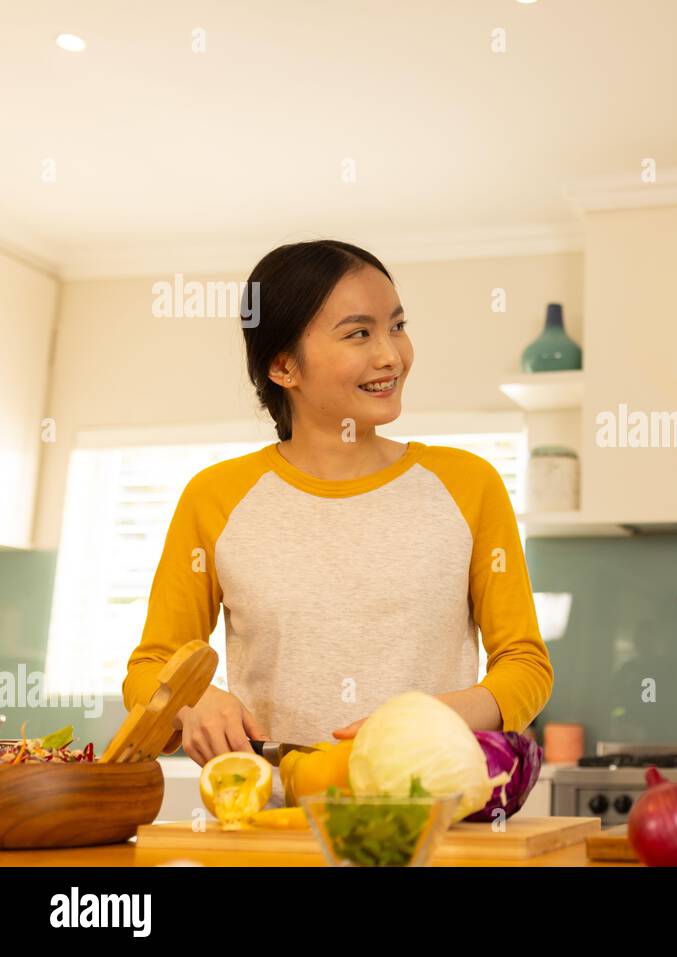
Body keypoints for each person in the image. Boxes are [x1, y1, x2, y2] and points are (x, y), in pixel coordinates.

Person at [122, 240, 553, 804]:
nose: (392, 355)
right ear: (283, 365)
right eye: (359, 334)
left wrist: (427, 720)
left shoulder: (468, 485)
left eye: (397, 326)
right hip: (272, 829)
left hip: (434, 823)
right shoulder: (216, 497)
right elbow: (151, 666)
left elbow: (525, 664)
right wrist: (192, 701)